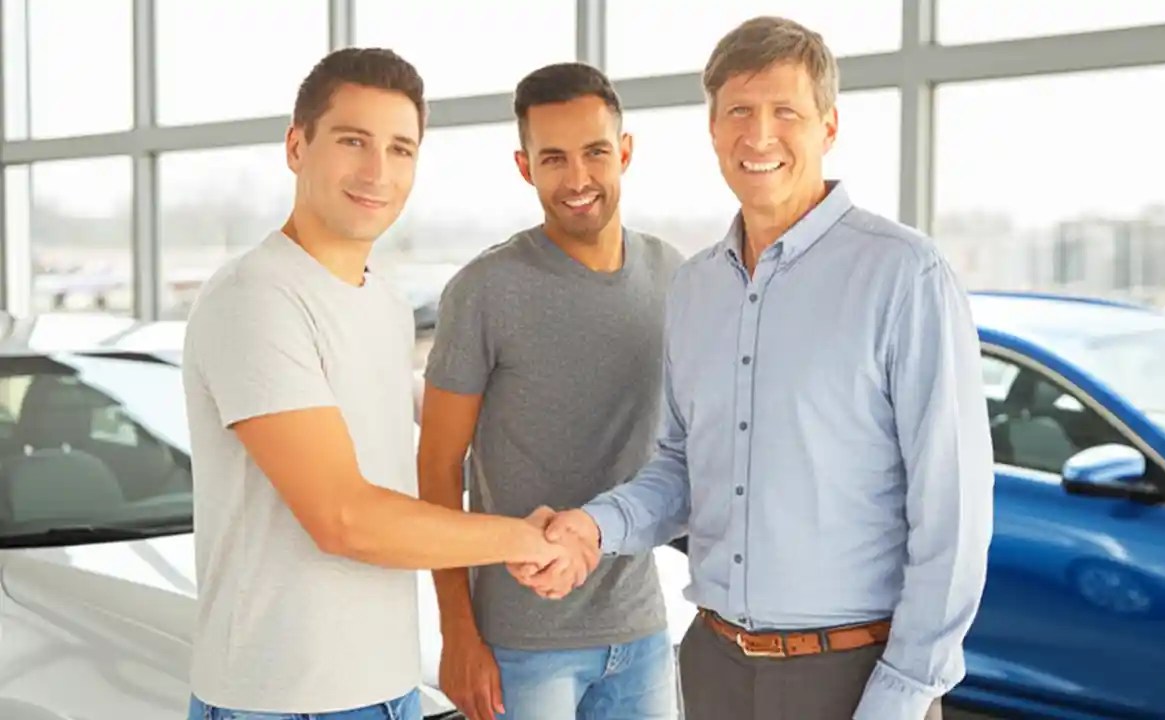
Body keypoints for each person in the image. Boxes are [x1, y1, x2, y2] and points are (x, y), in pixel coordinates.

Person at [527, 16, 996, 720]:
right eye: (739, 112)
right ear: (713, 130)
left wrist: (903, 693)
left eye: (786, 112)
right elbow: (681, 470)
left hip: (856, 677)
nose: (759, 135)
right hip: (716, 666)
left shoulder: (905, 274)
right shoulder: (696, 288)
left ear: (828, 127)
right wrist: (594, 528)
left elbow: (952, 511)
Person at [181, 48, 590, 720]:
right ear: (296, 146)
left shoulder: (384, 303)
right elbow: (343, 517)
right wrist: (525, 539)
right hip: (282, 702)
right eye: (353, 141)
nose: (378, 172)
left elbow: (430, 422)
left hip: (388, 687)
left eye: (400, 149)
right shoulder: (255, 297)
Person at [418, 62, 686, 720]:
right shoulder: (484, 290)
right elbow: (437, 466)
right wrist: (458, 632)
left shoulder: (673, 276)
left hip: (642, 630)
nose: (577, 179)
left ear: (625, 152)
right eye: (554, 159)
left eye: (595, 152)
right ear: (525, 167)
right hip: (521, 642)